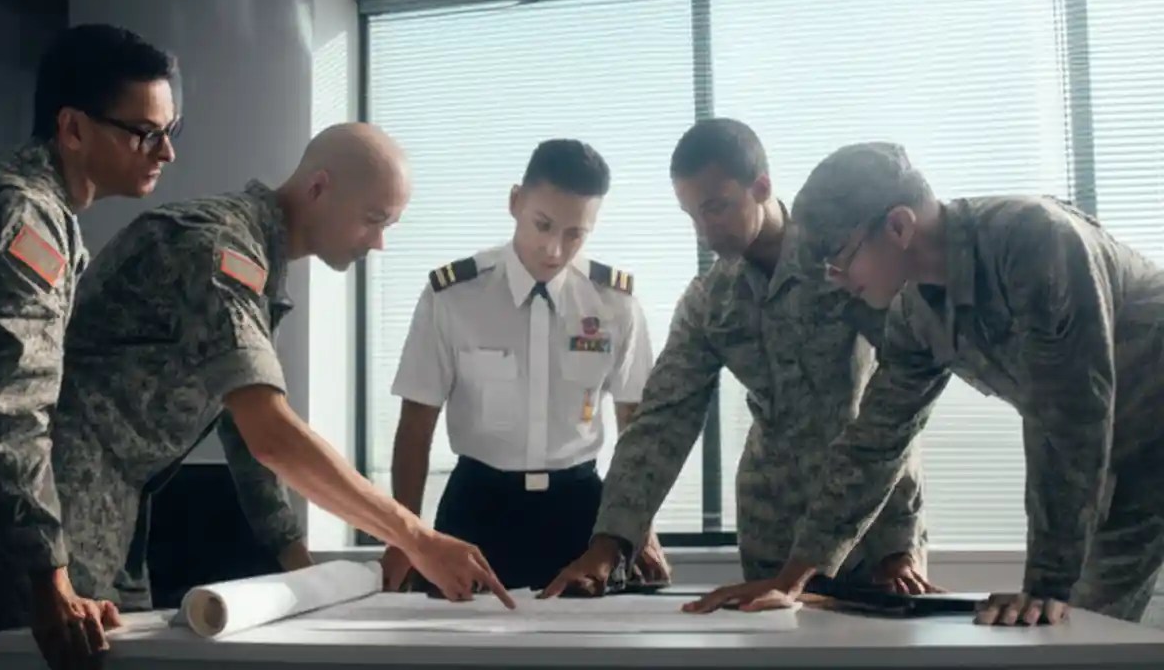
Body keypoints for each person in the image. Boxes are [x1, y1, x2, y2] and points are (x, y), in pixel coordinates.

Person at [0, 122, 514, 645]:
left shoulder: (258, 264)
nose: (378, 243)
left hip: (120, 500)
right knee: (44, 655)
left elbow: (242, 429)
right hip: (58, 496)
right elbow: (271, 435)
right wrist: (416, 537)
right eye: (373, 220)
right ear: (318, 188)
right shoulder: (217, 250)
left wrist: (304, 570)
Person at [699, 141, 1164, 627]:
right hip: (1125, 466)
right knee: (1073, 632)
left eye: (841, 260)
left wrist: (1046, 581)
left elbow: (1071, 415)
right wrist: (795, 575)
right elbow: (876, 442)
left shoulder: (1034, 241)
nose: (837, 281)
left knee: (1063, 618)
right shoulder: (915, 315)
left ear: (898, 226)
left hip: (1121, 438)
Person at [0, 23, 179, 670]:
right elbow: (13, 410)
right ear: (73, 128)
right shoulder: (27, 220)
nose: (165, 152)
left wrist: (56, 582)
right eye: (145, 132)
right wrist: (51, 578)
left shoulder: (32, 204)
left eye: (169, 132)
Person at [542, 120, 936, 603]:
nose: (706, 231)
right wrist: (609, 546)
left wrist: (898, 544)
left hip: (874, 531)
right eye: (692, 215)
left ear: (762, 187)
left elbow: (901, 400)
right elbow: (662, 420)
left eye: (717, 207)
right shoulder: (712, 300)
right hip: (773, 531)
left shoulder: (848, 259)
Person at [380, 139, 669, 593]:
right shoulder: (453, 296)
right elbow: (415, 427)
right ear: (516, 202)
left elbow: (636, 427)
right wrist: (402, 540)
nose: (555, 249)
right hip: (476, 509)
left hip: (582, 516)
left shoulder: (615, 303)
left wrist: (637, 527)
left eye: (575, 233)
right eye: (543, 224)